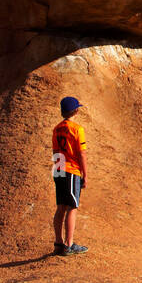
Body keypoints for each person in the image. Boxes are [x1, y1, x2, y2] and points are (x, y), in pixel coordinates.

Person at [52, 96, 89, 256]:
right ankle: (69, 244)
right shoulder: (77, 129)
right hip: (71, 170)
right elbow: (81, 154)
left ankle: (59, 243)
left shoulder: (57, 128)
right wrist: (85, 174)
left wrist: (59, 170)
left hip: (59, 169)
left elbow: (55, 152)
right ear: (76, 111)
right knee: (72, 207)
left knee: (61, 207)